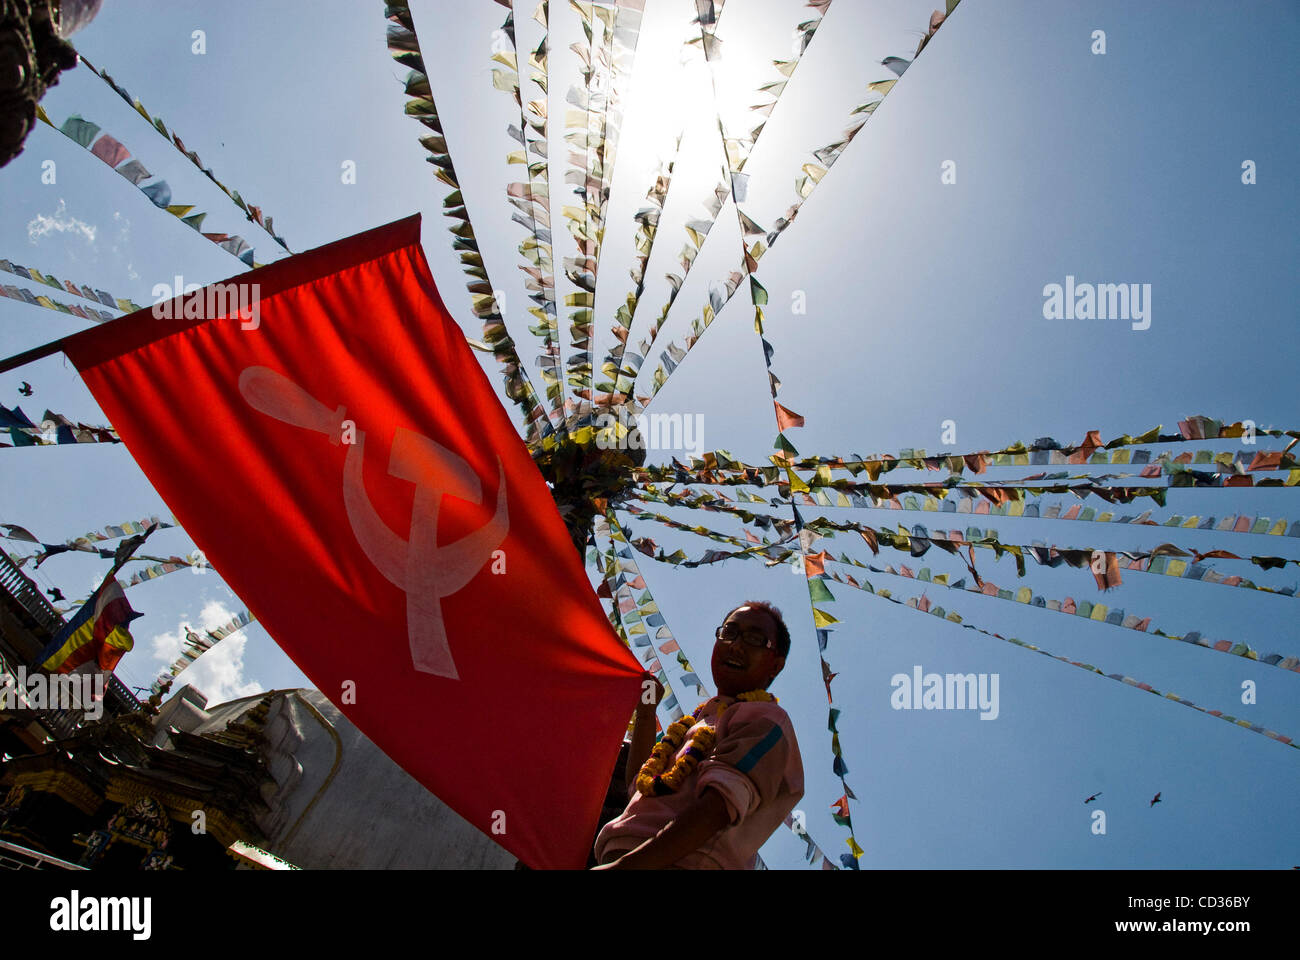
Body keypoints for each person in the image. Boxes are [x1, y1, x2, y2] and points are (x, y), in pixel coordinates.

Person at [592, 601, 803, 869]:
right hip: (621, 854)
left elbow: (718, 808)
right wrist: (647, 709)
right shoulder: (697, 722)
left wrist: (627, 867)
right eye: (729, 632)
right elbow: (639, 785)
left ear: (775, 666)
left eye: (754, 639)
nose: (735, 645)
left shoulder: (766, 719)